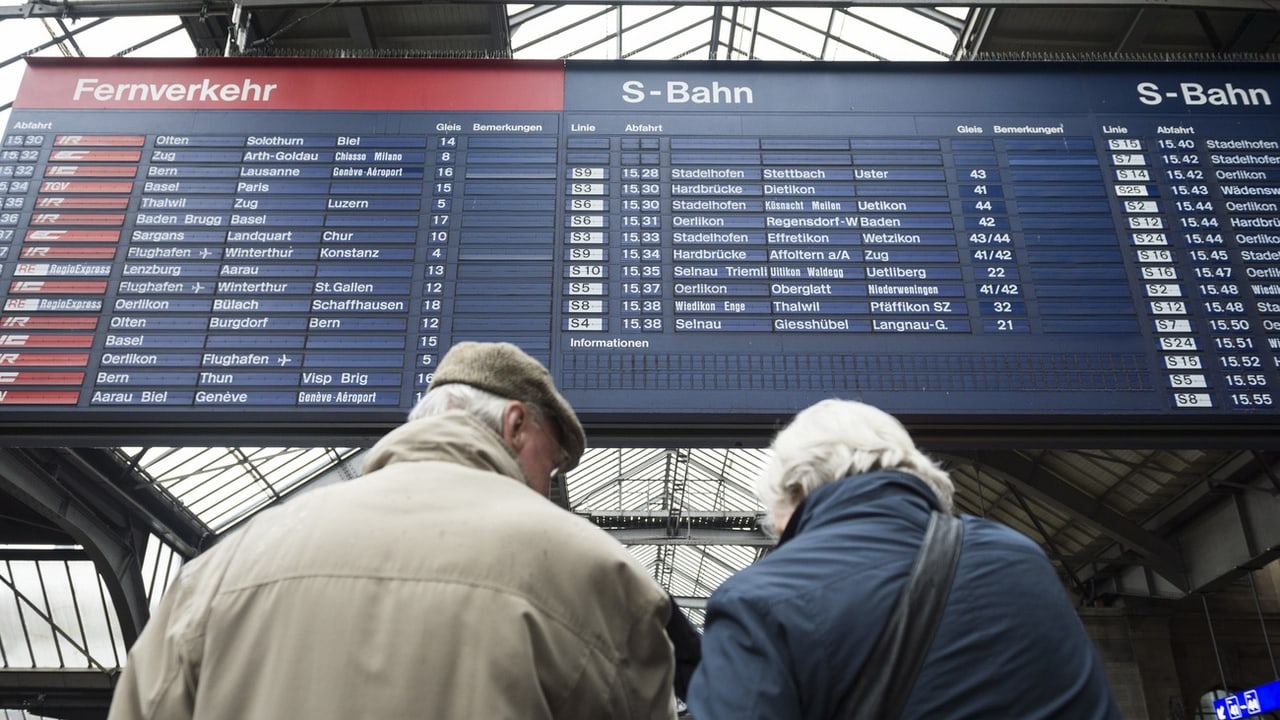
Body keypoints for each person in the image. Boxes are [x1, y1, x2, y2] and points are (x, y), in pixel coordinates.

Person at [108, 341, 677, 720]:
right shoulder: (600, 575)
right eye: (548, 467)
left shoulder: (217, 573)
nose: (543, 492)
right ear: (515, 422)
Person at [686, 398, 1121, 720]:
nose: (779, 534)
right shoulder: (1021, 558)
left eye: (774, 517)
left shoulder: (759, 598)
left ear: (797, 491)